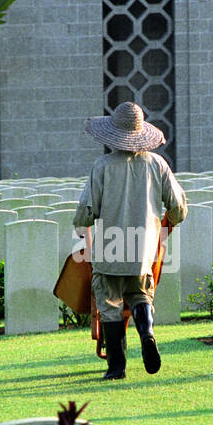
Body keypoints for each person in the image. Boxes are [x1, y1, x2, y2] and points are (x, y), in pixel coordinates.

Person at [74, 102, 187, 380]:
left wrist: (80, 225)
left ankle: (116, 367)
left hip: (110, 246)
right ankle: (146, 332)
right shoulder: (158, 164)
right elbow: (178, 207)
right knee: (140, 294)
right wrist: (167, 220)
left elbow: (87, 212)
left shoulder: (102, 166)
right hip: (144, 250)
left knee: (109, 303)